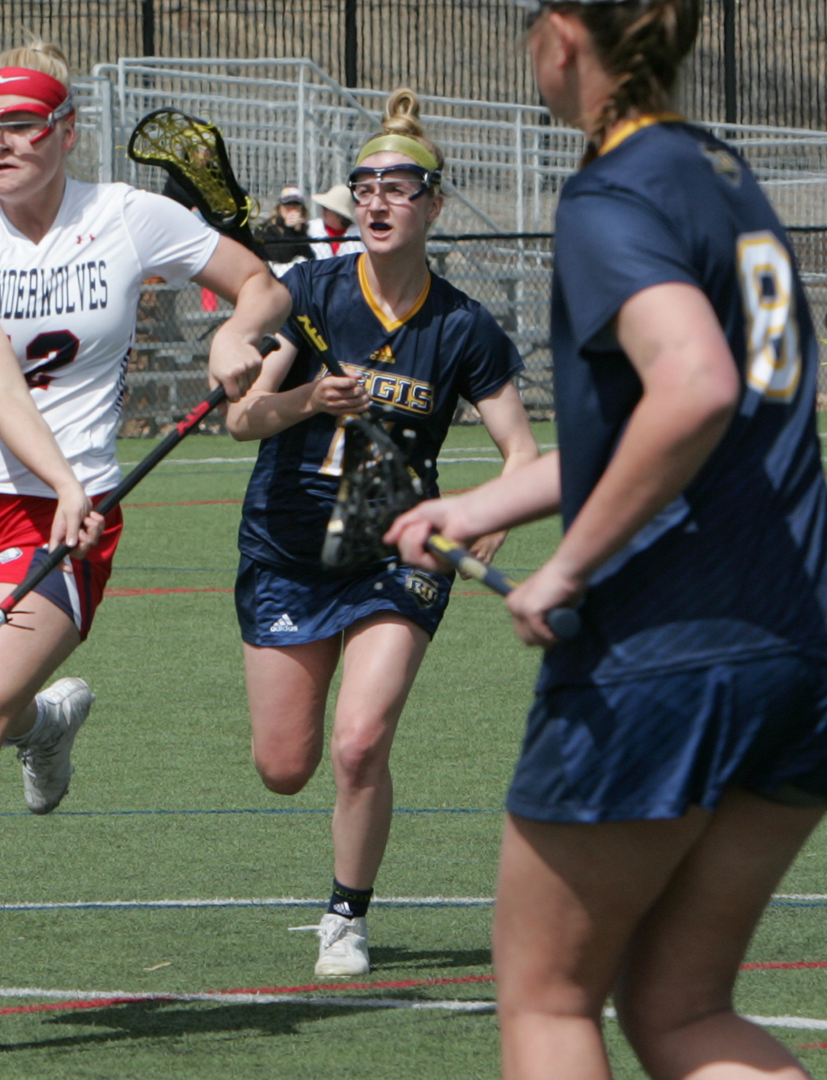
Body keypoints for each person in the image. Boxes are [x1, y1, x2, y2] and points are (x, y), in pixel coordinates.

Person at [387, 3, 827, 1077]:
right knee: (682, 1010)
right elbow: (691, 415)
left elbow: (693, 389)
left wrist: (567, 564)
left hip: (672, 651)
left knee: (551, 1004)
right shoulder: (717, 169)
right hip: (815, 647)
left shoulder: (613, 190)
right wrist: (486, 507)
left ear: (564, 35)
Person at [0, 42, 288, 1027]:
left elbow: (261, 281)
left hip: (62, 521)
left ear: (65, 131)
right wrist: (62, 474)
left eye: (20, 125)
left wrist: (232, 334)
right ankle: (49, 722)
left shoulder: (127, 217)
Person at [227, 88, 538, 979]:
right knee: (285, 767)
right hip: (287, 550)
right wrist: (303, 399)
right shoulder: (313, 292)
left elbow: (522, 454)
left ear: (433, 204)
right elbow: (243, 421)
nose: (376, 200)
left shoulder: (462, 327)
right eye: (363, 185)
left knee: (360, 742)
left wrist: (495, 514)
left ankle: (345, 914)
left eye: (399, 186)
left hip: (393, 548)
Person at [257, 185, 314, 275]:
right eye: (287, 204)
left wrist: (298, 232)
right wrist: (289, 229)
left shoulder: (304, 228)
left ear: (302, 209)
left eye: (296, 204)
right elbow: (283, 258)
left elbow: (311, 258)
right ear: (280, 208)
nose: (291, 208)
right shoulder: (266, 229)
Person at [307, 182, 363, 260]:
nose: (323, 210)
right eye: (323, 206)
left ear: (340, 215)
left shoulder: (359, 234)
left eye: (327, 208)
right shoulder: (310, 229)